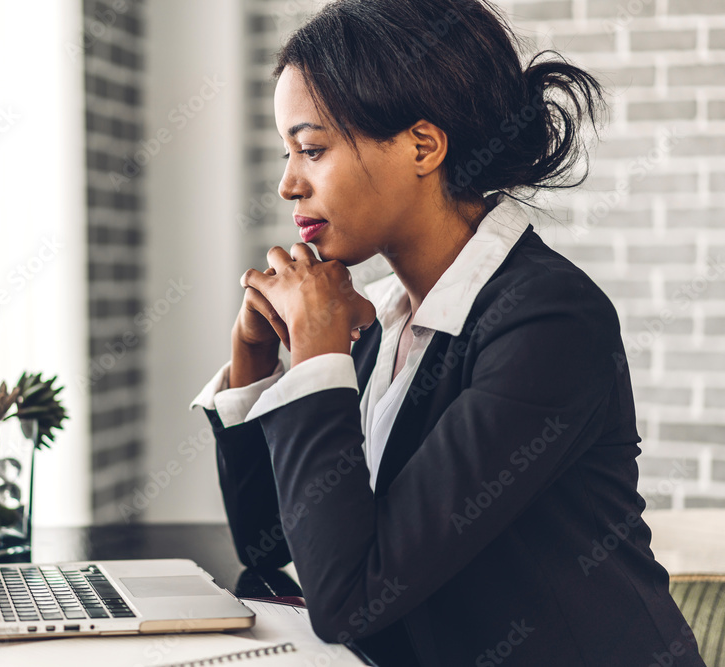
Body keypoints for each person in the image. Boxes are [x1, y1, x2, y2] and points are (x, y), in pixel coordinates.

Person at [190, 1, 705, 665]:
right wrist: (256, 357)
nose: (290, 183)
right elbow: (269, 546)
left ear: (424, 146)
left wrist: (318, 354)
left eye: (312, 149)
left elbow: (351, 598)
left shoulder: (550, 321)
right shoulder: (383, 320)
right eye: (288, 153)